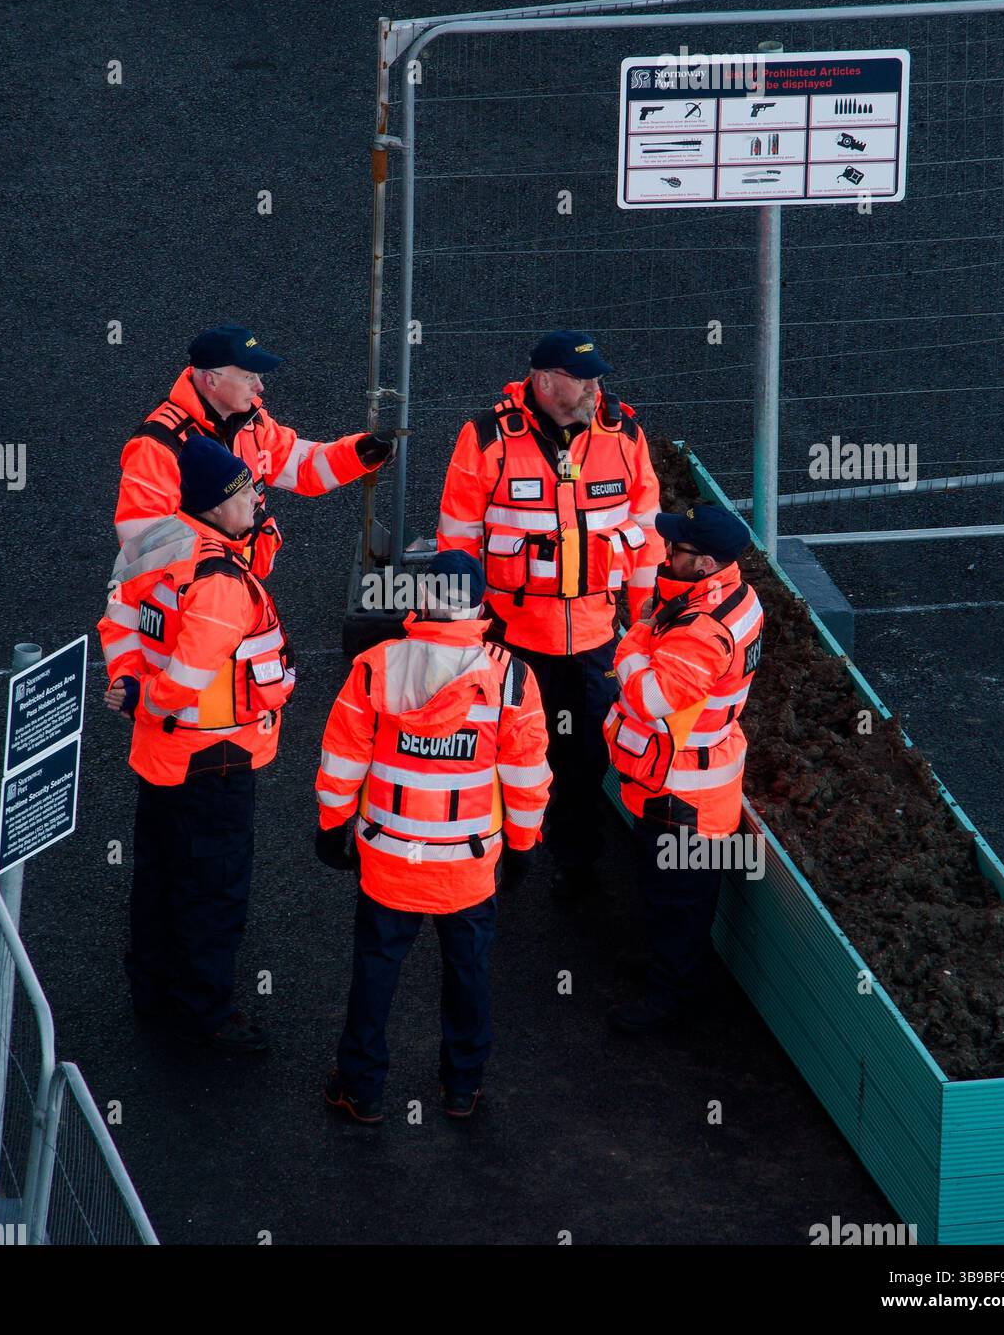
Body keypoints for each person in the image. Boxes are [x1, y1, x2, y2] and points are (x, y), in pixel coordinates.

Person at [314, 552, 551, 1123]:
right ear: (477, 604)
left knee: (376, 969)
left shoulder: (376, 666)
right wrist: (522, 846)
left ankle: (361, 1087)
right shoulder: (511, 678)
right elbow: (526, 778)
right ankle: (462, 1087)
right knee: (467, 972)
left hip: (389, 856)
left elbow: (343, 758)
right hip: (468, 865)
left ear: (420, 599)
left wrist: (331, 825)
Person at [435, 330, 663, 902]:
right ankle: (496, 855)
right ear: (543, 381)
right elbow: (457, 543)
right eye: (582, 379)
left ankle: (575, 864)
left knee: (586, 757)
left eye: (597, 378)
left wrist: (647, 625)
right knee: (501, 751)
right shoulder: (485, 438)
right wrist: (459, 636)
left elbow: (648, 540)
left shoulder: (626, 434)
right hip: (513, 638)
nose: (595, 388)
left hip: (594, 637)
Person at [97, 435, 296, 1052]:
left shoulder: (154, 543)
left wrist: (128, 684)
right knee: (214, 889)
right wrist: (153, 698)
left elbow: (118, 619)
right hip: (217, 760)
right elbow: (190, 674)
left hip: (162, 755)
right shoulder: (220, 582)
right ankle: (208, 1011)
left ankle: (151, 991)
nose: (257, 495)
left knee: (157, 876)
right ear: (214, 504)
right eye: (245, 490)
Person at [602, 505, 763, 1033]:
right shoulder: (732, 597)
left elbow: (650, 696)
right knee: (670, 894)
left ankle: (670, 998)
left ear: (706, 563)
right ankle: (666, 973)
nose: (666, 553)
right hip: (691, 781)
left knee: (679, 902)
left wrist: (631, 641)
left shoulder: (699, 630)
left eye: (678, 550)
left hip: (682, 795)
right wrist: (652, 628)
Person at [114, 322, 396, 575]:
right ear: (212, 380)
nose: (260, 387)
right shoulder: (157, 445)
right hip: (196, 595)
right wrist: (213, 573)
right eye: (249, 377)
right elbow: (141, 539)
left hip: (236, 582)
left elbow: (301, 467)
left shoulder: (251, 422)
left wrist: (360, 452)